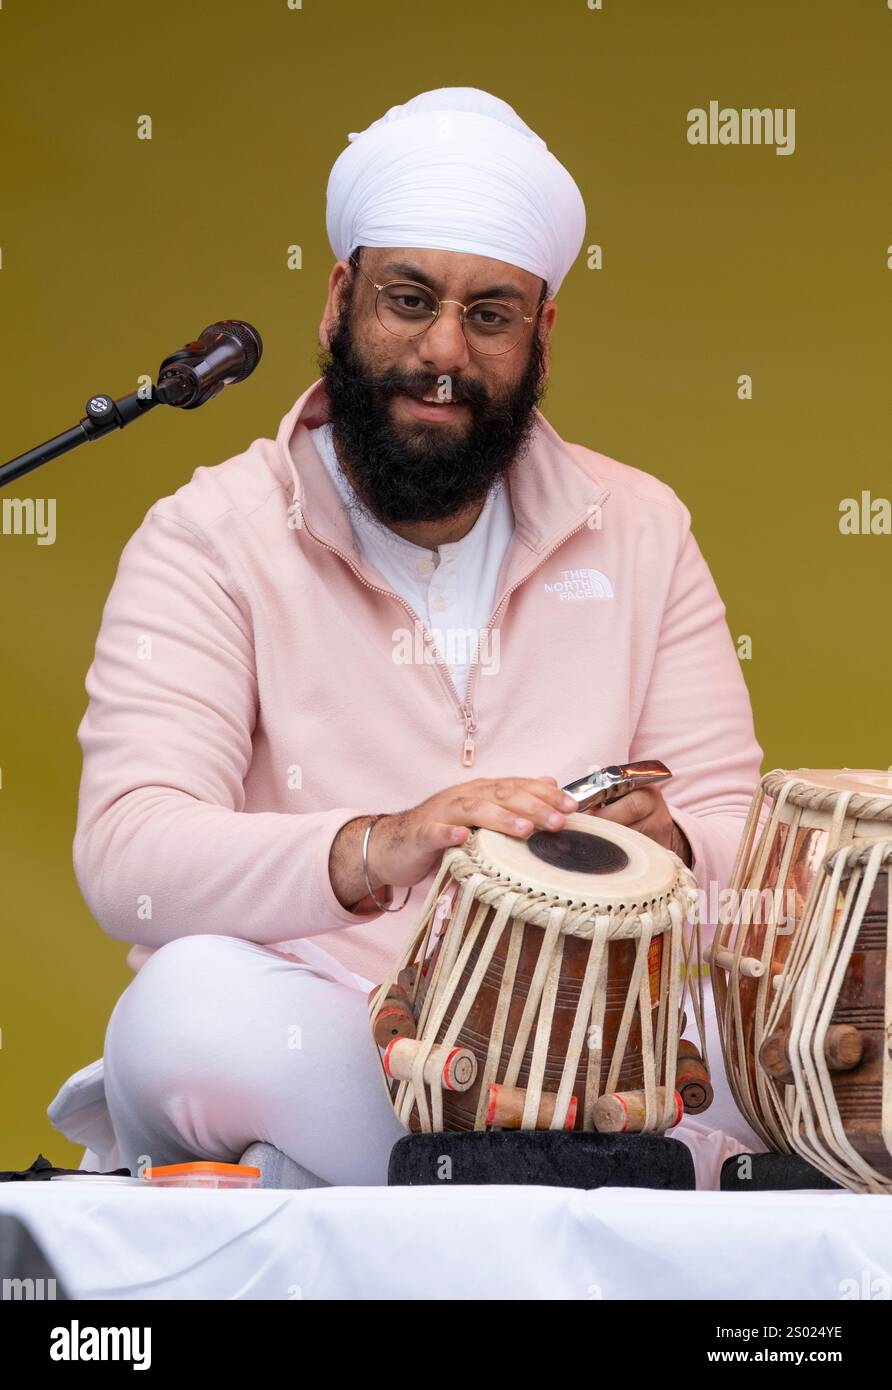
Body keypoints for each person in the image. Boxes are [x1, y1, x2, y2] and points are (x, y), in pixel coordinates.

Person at [48, 87, 766, 1189]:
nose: (442, 351)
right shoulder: (209, 537)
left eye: (489, 314)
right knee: (187, 1008)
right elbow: (130, 854)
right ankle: (585, 1191)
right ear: (339, 303)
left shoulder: (642, 530)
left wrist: (667, 843)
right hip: (329, 1036)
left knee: (796, 1014)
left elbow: (736, 842)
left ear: (540, 335)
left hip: (590, 1048)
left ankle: (446, 1186)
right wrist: (382, 844)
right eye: (408, 299)